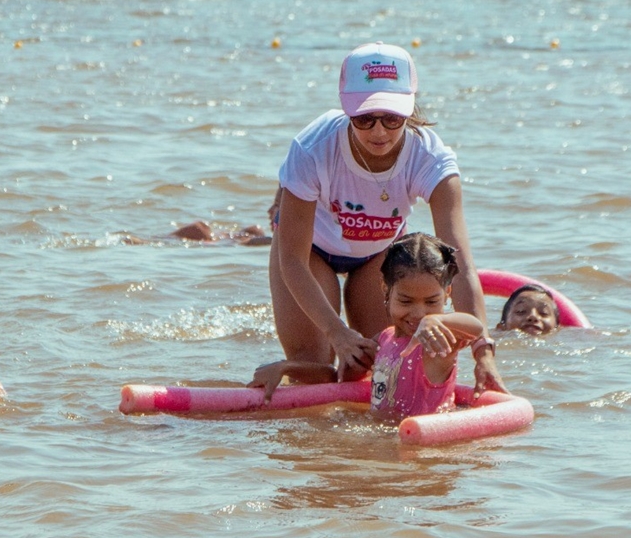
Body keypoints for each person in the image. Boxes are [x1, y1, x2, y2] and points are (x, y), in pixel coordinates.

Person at [268, 42, 504, 395]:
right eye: (364, 118)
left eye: (392, 118)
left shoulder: (431, 158)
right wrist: (338, 333)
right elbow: (291, 258)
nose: (379, 132)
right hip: (308, 254)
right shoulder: (312, 148)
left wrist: (483, 355)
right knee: (315, 375)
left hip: (376, 255)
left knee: (382, 370)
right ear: (346, 106)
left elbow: (463, 266)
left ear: (409, 109)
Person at [250, 233, 484, 420]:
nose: (419, 313)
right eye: (405, 301)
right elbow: (336, 378)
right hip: (386, 438)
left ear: (447, 294)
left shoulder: (438, 341)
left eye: (432, 302)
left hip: (424, 443)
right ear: (385, 290)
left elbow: (475, 328)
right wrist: (285, 367)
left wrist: (438, 320)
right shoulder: (383, 340)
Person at [122, 220, 272, 246]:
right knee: (198, 229)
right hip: (224, 240)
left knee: (198, 230)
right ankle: (147, 242)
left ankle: (145, 241)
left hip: (222, 240)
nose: (269, 211)